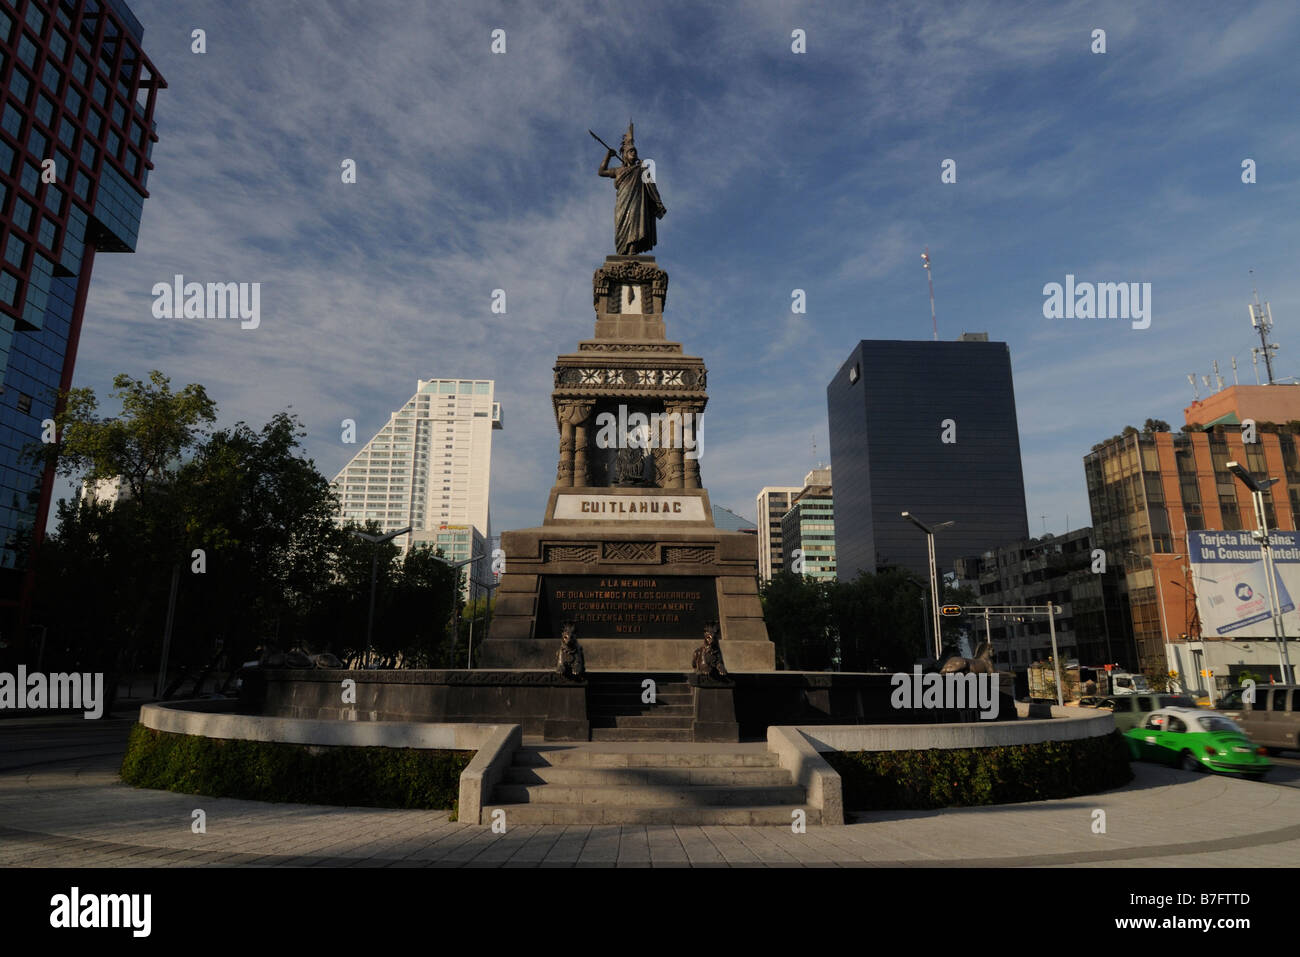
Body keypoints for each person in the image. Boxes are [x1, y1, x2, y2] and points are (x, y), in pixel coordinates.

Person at [597, 124, 666, 255]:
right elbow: (601, 171)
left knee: (635, 222)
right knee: (621, 226)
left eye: (635, 151)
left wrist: (658, 202)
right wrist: (608, 155)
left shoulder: (641, 169)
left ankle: (632, 251)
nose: (634, 153)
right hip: (622, 203)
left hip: (636, 201)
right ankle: (623, 252)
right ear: (625, 155)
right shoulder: (618, 170)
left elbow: (651, 186)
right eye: (631, 151)